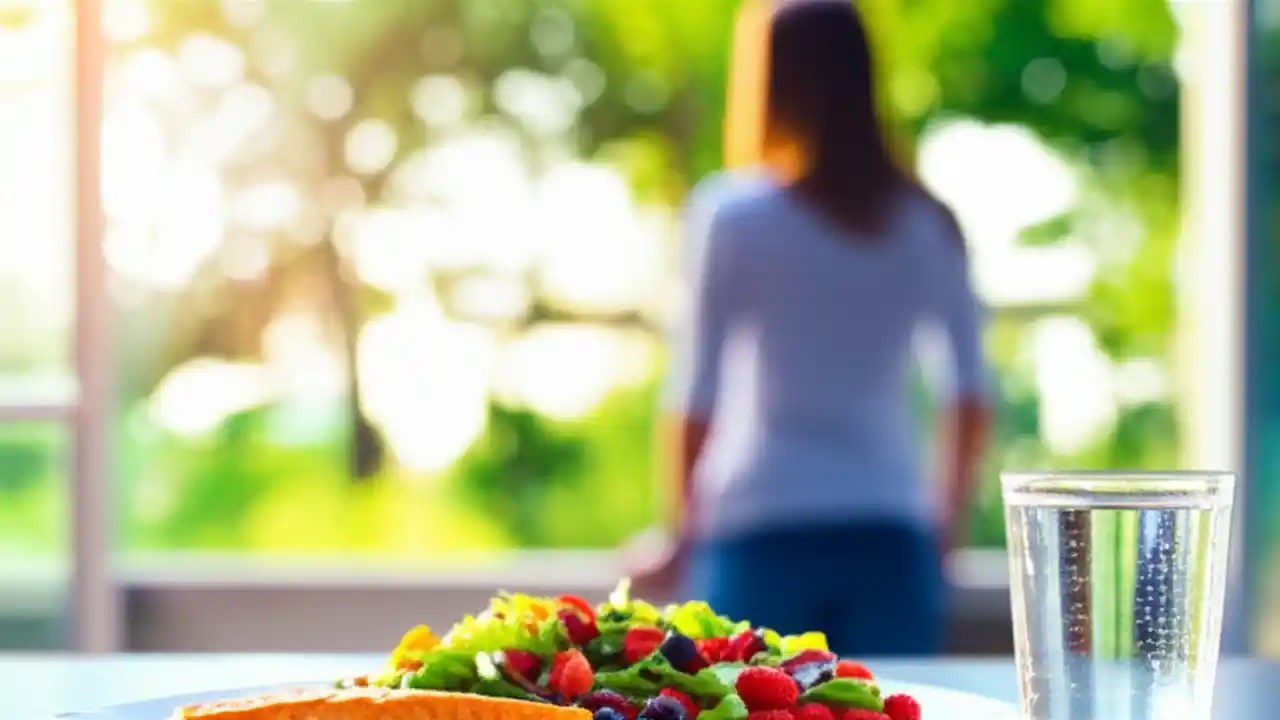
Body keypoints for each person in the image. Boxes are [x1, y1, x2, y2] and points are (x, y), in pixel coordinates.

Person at [630, 0, 992, 655]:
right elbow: (969, 394)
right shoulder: (928, 223)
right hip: (890, 534)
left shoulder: (733, 216)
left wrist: (680, 532)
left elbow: (696, 391)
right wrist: (944, 526)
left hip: (759, 527)